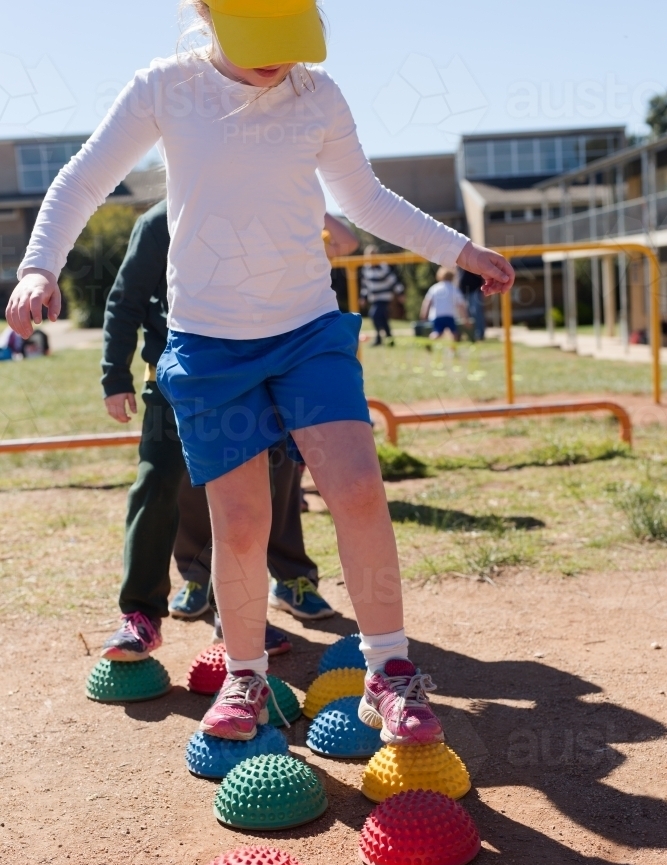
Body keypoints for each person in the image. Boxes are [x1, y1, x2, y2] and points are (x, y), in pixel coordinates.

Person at [7, 0, 514, 746]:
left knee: (358, 488)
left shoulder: (316, 95)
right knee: (239, 526)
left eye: (289, 43)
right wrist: (37, 266)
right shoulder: (166, 87)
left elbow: (364, 197)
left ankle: (391, 673)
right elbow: (82, 181)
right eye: (259, 43)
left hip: (307, 330)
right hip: (211, 346)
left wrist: (458, 251)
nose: (277, 60)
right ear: (207, 12)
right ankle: (244, 674)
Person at [98, 199, 332, 662]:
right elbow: (124, 303)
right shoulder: (159, 223)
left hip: (250, 375)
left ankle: (241, 618)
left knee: (255, 491)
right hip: (176, 378)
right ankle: (140, 615)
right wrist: (115, 378)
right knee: (158, 481)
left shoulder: (257, 208)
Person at [360, 245, 404, 346]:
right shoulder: (366, 269)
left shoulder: (383, 267)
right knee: (383, 319)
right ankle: (390, 339)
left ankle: (378, 339)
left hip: (384, 297)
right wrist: (363, 297)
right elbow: (365, 285)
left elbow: (393, 281)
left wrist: (400, 293)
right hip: (374, 298)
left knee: (374, 315)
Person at [420, 268, 468, 342]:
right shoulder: (454, 289)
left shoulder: (434, 288)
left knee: (437, 331)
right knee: (454, 332)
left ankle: (430, 341)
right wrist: (465, 318)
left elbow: (427, 303)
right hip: (450, 315)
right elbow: (460, 305)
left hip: (437, 315)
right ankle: (453, 349)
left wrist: (424, 315)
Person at [459, 268, 486, 341]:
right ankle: (471, 335)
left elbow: (483, 274)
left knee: (476, 312)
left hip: (475, 289)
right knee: (467, 314)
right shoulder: (460, 261)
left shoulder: (474, 259)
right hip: (464, 291)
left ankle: (479, 334)